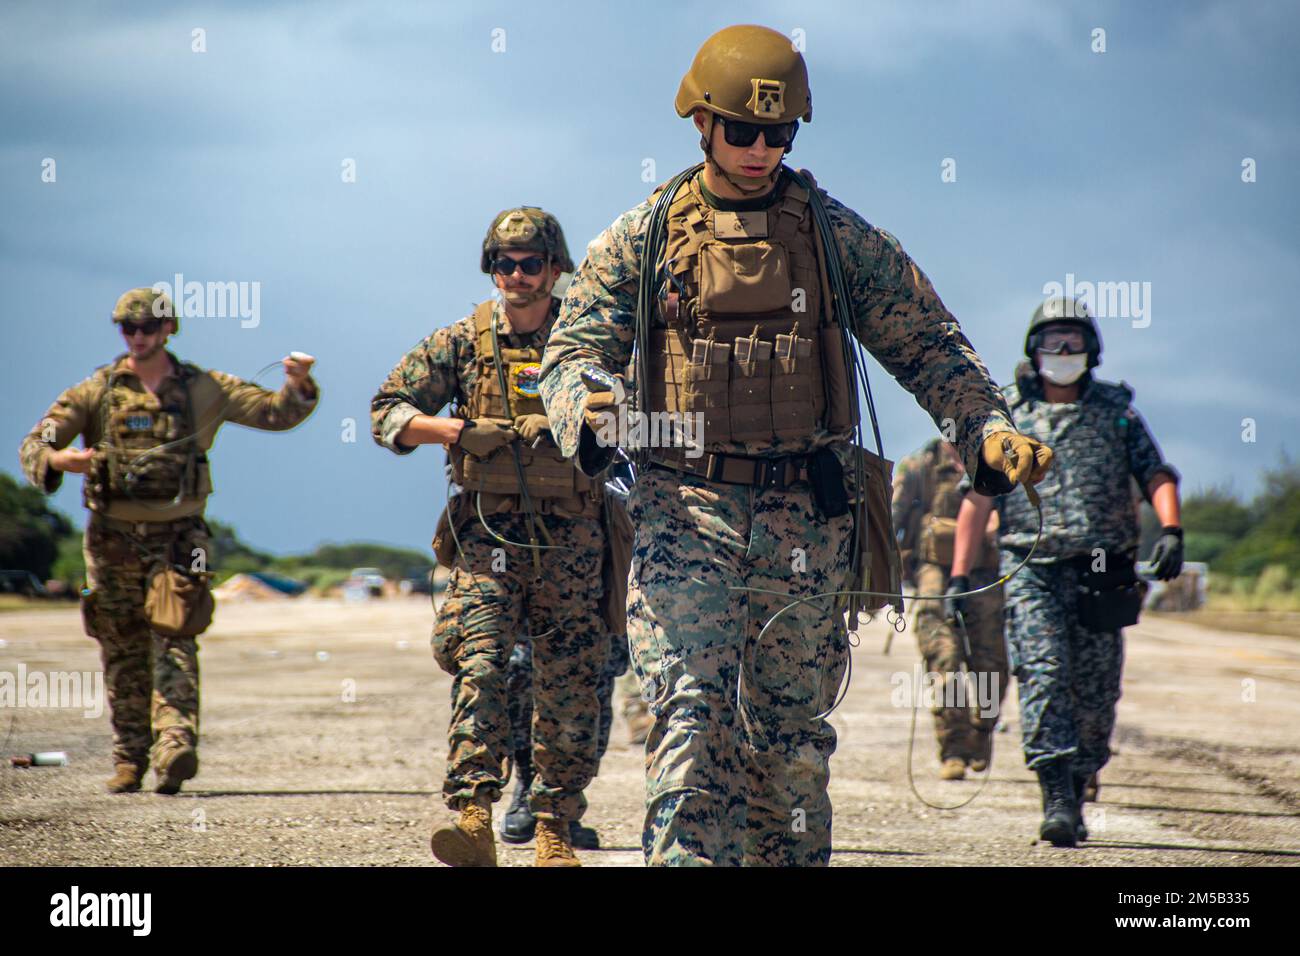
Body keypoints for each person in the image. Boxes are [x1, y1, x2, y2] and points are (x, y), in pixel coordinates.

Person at [538, 25, 1053, 866]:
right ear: (700, 122)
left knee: (789, 746)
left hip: (804, 519)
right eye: (742, 130)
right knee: (691, 723)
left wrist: (985, 430)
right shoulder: (646, 236)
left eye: (779, 133)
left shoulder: (832, 238)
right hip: (684, 511)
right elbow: (573, 349)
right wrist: (589, 408)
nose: (760, 148)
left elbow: (928, 344)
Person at [371, 208, 610, 867]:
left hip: (571, 542)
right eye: (503, 263)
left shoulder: (586, 341)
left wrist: (588, 424)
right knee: (479, 670)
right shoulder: (464, 343)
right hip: (486, 538)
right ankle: (473, 814)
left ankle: (555, 829)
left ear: (556, 268)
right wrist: (456, 432)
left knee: (568, 682)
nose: (516, 275)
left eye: (531, 263)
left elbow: (639, 419)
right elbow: (387, 410)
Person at [17, 287, 319, 795]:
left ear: (168, 329)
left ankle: (174, 743)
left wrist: (299, 383)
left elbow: (276, 413)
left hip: (180, 538)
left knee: (175, 636)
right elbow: (37, 441)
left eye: (148, 328)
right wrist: (56, 461)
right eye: (128, 329)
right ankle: (129, 758)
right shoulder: (96, 392)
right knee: (121, 648)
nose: (138, 337)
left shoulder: (203, 388)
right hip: (110, 540)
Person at [949, 296, 1183, 846]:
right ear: (1033, 349)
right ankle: (1054, 797)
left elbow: (1156, 473)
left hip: (1105, 570)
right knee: (1044, 671)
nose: (1061, 350)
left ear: (1091, 349)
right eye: (1051, 340)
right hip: (1033, 568)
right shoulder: (1009, 416)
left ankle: (1079, 785)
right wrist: (960, 576)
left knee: (1098, 691)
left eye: (1072, 340)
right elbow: (978, 498)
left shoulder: (1117, 412)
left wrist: (1171, 530)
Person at [892, 439, 1008, 780]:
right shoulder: (919, 466)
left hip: (987, 573)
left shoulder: (1001, 461)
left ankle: (981, 731)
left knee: (991, 663)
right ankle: (954, 749)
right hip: (933, 571)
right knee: (942, 655)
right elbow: (892, 517)